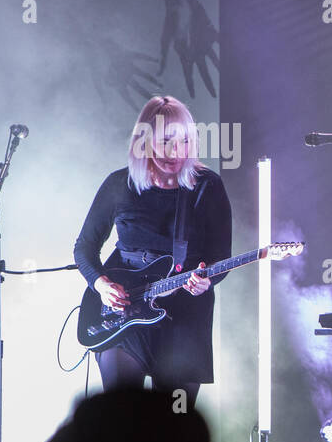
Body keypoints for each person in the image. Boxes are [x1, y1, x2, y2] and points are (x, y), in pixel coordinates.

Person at [74, 95, 232, 401]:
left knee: (175, 429)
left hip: (184, 321)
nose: (176, 151)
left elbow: (220, 256)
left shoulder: (207, 187)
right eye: (166, 141)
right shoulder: (120, 185)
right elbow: (85, 247)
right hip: (123, 317)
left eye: (184, 141)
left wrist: (206, 281)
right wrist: (101, 283)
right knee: (122, 418)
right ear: (144, 141)